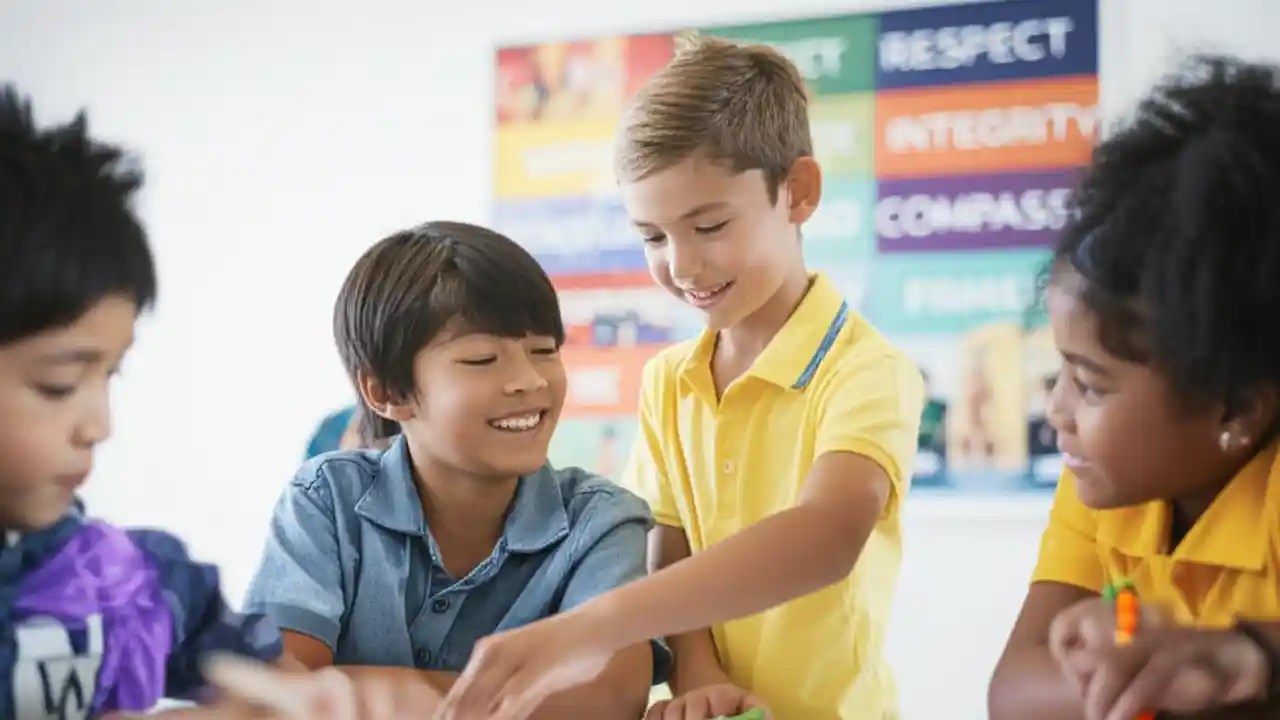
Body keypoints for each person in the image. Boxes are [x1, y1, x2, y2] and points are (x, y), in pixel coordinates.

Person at [436, 36, 924, 720]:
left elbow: (827, 536)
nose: (684, 265)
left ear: (800, 193)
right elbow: (671, 545)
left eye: (709, 225)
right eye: (653, 237)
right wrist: (695, 671)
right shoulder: (670, 379)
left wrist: (590, 626)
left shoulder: (867, 372)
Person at [241, 221, 668, 717]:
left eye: (544, 351)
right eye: (483, 359)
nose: (528, 381)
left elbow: (608, 698)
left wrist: (357, 689)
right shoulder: (326, 498)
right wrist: (519, 696)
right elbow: (277, 688)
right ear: (387, 393)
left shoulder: (602, 521)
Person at [988, 55, 1280, 720]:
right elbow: (1012, 692)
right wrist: (1143, 675)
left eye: (1089, 386)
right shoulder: (1103, 479)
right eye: (1059, 370)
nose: (1056, 409)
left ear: (1235, 406)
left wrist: (1245, 658)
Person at [0, 84, 289, 719]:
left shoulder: (126, 584)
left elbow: (266, 676)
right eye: (59, 385)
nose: (99, 426)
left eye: (112, 375)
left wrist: (296, 698)